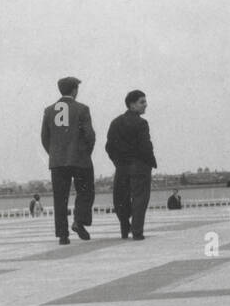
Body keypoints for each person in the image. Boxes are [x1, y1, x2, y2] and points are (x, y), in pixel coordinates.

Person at [41, 76, 96, 246]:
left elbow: (44, 137)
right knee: (86, 192)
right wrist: (86, 153)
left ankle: (63, 235)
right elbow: (90, 135)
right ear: (74, 90)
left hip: (57, 162)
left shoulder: (49, 110)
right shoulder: (82, 109)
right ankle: (79, 221)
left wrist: (54, 153)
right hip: (80, 159)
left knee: (60, 198)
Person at [106, 90, 157, 240]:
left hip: (121, 166)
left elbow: (109, 147)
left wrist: (117, 162)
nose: (145, 105)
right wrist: (150, 162)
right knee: (140, 198)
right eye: (142, 102)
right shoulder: (141, 123)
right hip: (139, 166)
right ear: (132, 104)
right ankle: (137, 231)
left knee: (121, 198)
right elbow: (146, 146)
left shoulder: (115, 122)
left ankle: (124, 228)